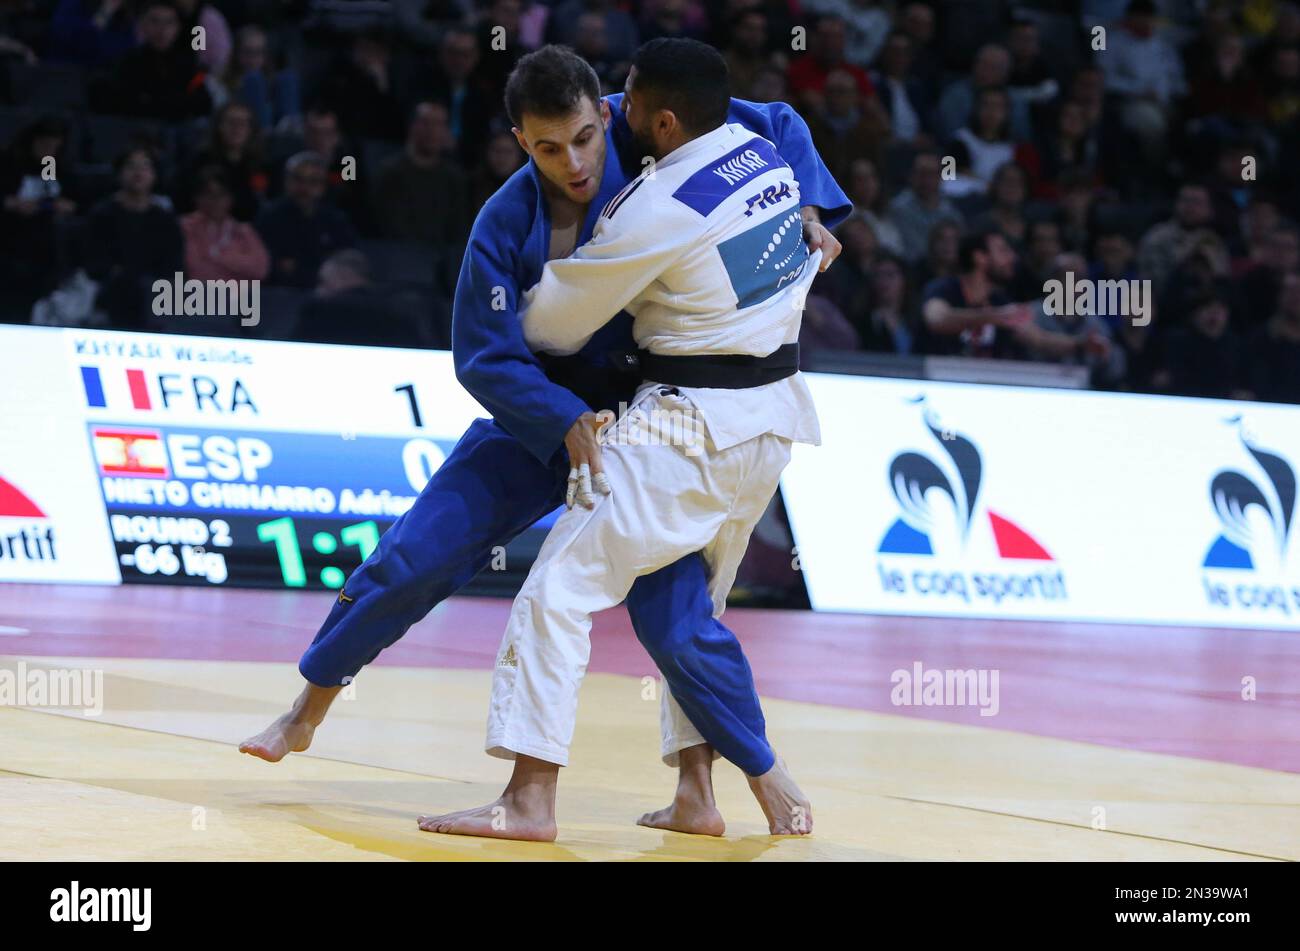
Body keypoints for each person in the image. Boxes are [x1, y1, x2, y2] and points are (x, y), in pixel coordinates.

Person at [240, 43, 850, 839]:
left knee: (674, 613)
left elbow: (773, 122)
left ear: (608, 115)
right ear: (520, 143)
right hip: (544, 415)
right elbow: (483, 354)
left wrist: (808, 205)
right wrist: (558, 419)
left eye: (584, 140)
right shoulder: (505, 222)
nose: (575, 163)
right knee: (414, 556)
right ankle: (306, 706)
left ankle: (698, 791)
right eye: (548, 148)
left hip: (641, 417)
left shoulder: (652, 137)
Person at [418, 37, 832, 843]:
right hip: (774, 422)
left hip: (688, 429)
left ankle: (528, 800)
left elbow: (554, 326)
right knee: (692, 616)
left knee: (556, 590)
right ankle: (698, 793)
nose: (617, 110)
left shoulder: (655, 207)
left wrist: (548, 270)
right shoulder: (763, 156)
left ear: (665, 122)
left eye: (630, 101)